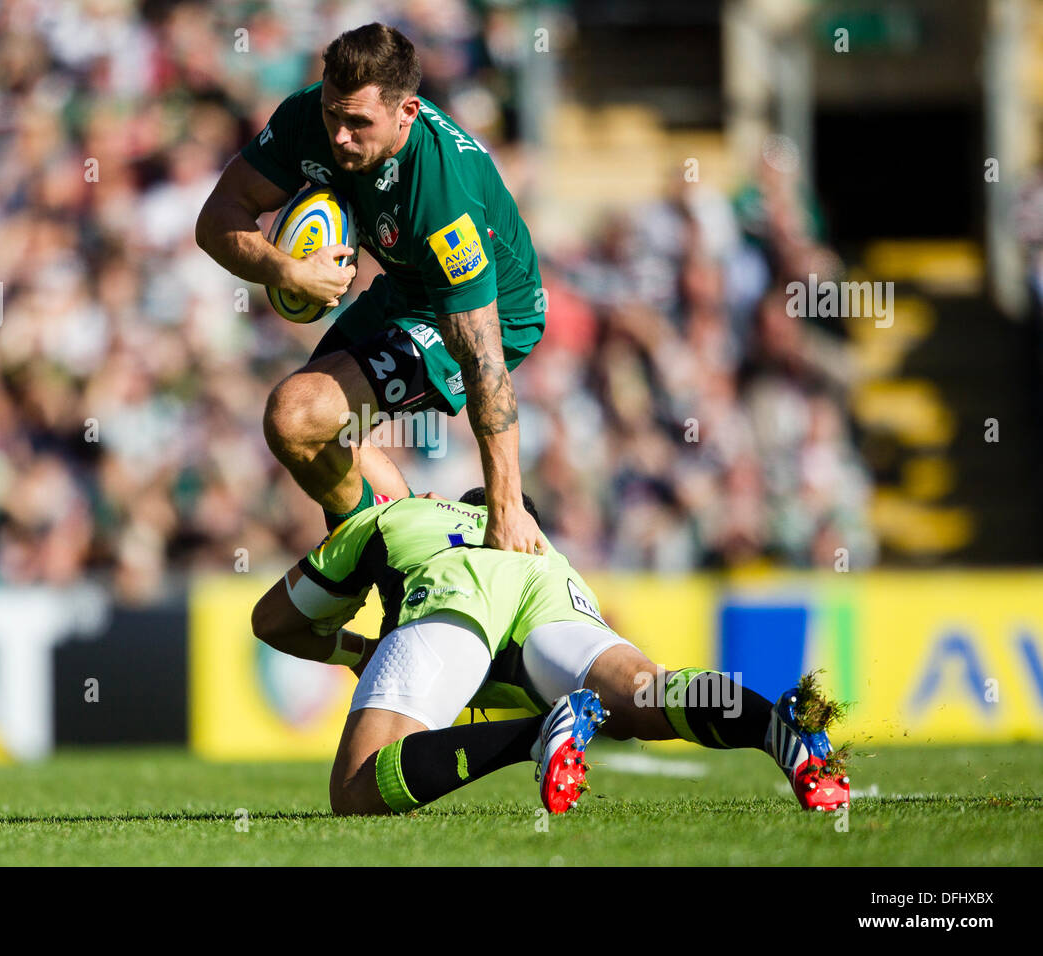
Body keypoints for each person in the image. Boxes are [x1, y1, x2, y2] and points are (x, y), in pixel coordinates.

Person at [251, 490, 851, 816]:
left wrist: (355, 648)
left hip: (457, 587)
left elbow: (271, 622)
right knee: (646, 690)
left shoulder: (397, 517)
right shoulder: (537, 544)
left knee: (356, 788)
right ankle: (776, 724)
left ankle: (538, 736)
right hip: (547, 581)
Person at [196, 23, 545, 553]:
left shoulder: (442, 194)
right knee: (308, 433)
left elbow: (483, 359)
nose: (339, 136)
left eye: (358, 122)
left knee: (296, 415)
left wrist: (506, 509)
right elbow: (217, 217)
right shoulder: (306, 116)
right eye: (333, 114)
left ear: (406, 112)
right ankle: (407, 551)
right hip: (405, 288)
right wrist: (284, 269)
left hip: (492, 309)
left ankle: (381, 562)